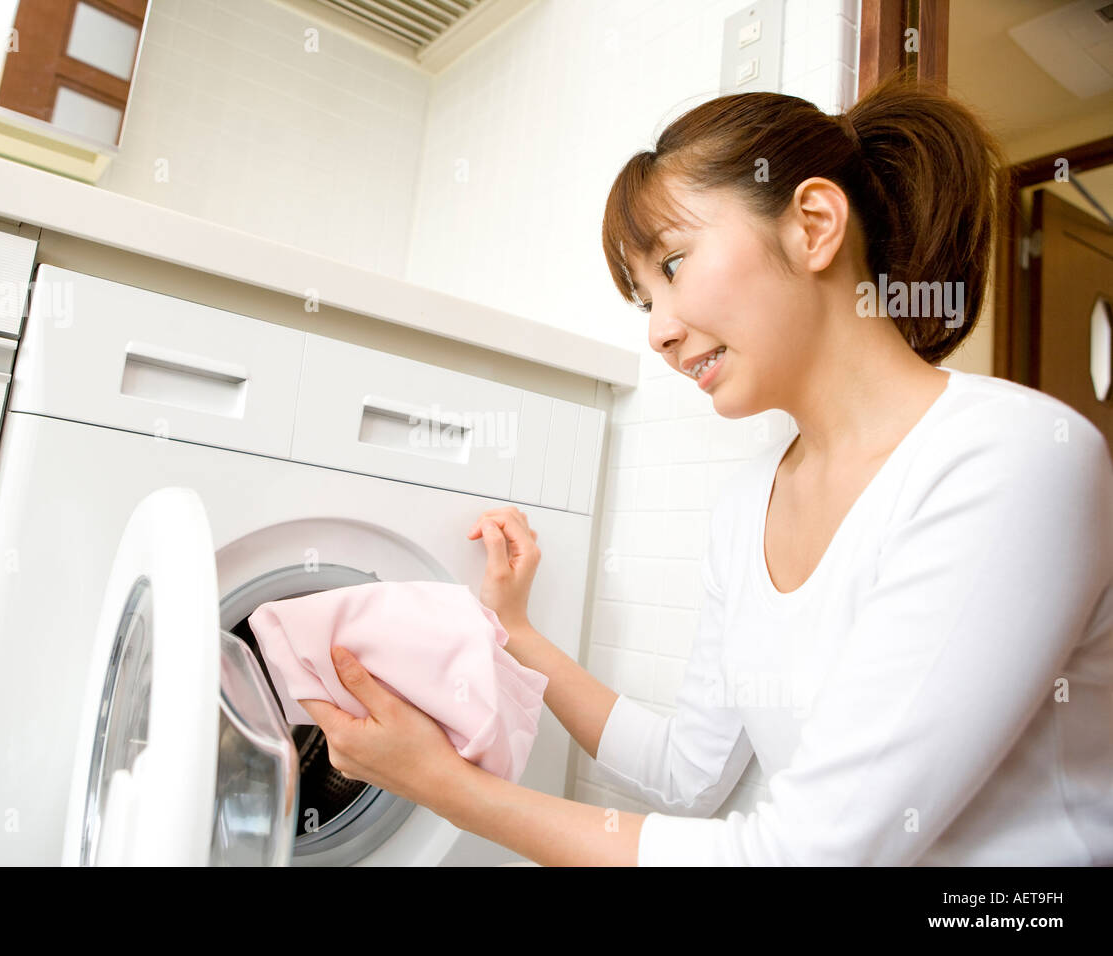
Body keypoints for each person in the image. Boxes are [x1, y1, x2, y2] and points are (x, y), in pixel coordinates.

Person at [298, 68, 1113, 866]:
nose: (658, 332)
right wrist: (516, 637)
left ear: (816, 224)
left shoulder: (1008, 458)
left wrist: (445, 787)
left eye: (675, 265)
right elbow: (690, 775)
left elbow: (807, 854)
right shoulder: (747, 502)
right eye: (646, 298)